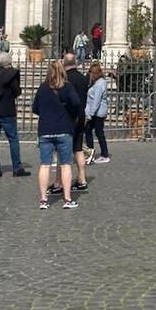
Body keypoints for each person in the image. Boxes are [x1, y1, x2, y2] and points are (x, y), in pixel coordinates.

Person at [34, 60, 82, 210]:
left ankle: (43, 200)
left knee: (45, 165)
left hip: (46, 129)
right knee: (66, 164)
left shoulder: (42, 88)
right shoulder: (67, 87)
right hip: (63, 128)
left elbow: (35, 108)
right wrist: (66, 110)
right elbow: (76, 103)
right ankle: (67, 199)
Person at [0, 52, 29, 178]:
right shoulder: (11, 75)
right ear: (8, 63)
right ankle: (17, 168)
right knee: (13, 139)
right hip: (7, 110)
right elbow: (16, 91)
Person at [62, 53, 90, 192]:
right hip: (81, 116)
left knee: (63, 152)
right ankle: (82, 179)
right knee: (78, 149)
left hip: (67, 118)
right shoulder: (83, 78)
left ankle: (59, 183)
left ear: (64, 63)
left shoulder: (64, 78)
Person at [84, 62, 110, 163]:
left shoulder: (99, 84)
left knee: (97, 133)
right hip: (96, 112)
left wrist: (90, 114)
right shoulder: (97, 82)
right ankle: (92, 152)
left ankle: (103, 154)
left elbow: (96, 101)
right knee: (91, 132)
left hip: (97, 113)